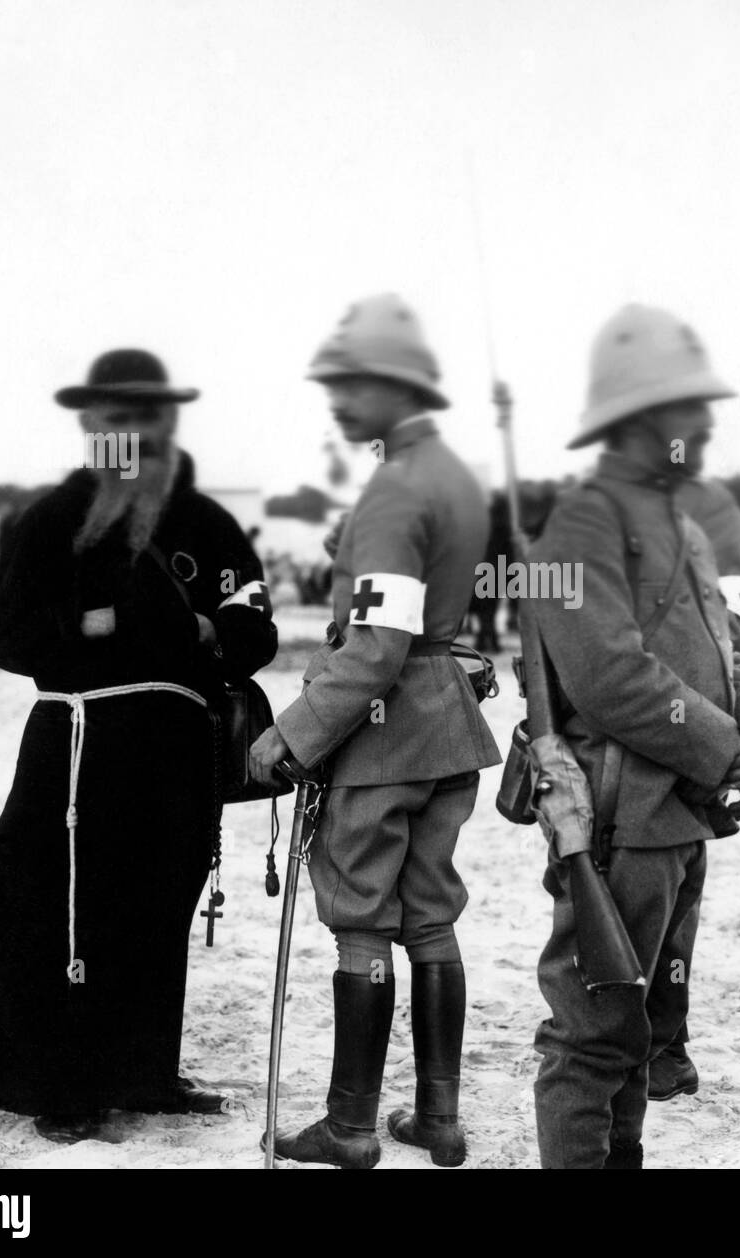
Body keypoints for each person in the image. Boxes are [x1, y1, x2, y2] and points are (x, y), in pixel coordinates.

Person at [0, 348, 277, 1143]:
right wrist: (91, 628)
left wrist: (200, 628)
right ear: (91, 425)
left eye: (149, 416)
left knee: (158, 906)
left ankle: (142, 1073)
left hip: (177, 752)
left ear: (168, 422)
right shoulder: (49, 520)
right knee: (61, 909)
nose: (135, 432)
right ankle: (63, 1084)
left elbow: (257, 631)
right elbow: (0, 633)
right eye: (117, 418)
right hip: (75, 748)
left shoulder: (209, 524)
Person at [529, 304, 740, 1169]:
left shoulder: (683, 522)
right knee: (593, 1035)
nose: (707, 423)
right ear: (637, 416)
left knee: (635, 1029)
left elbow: (728, 648)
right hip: (619, 816)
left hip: (680, 815)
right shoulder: (582, 526)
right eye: (687, 406)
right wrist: (724, 750)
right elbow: (609, 678)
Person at [250, 294, 501, 1169]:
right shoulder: (454, 477)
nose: (336, 401)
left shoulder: (396, 490)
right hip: (448, 721)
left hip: (386, 729)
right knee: (430, 913)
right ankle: (439, 1119)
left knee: (361, 912)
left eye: (352, 385)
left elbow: (377, 645)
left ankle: (352, 1126)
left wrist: (295, 731)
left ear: (399, 386)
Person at [646, 475, 740, 1103]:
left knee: (667, 908)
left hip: (684, 733)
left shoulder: (707, 512)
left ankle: (664, 1049)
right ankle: (662, 1046)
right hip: (668, 730)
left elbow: (732, 630)